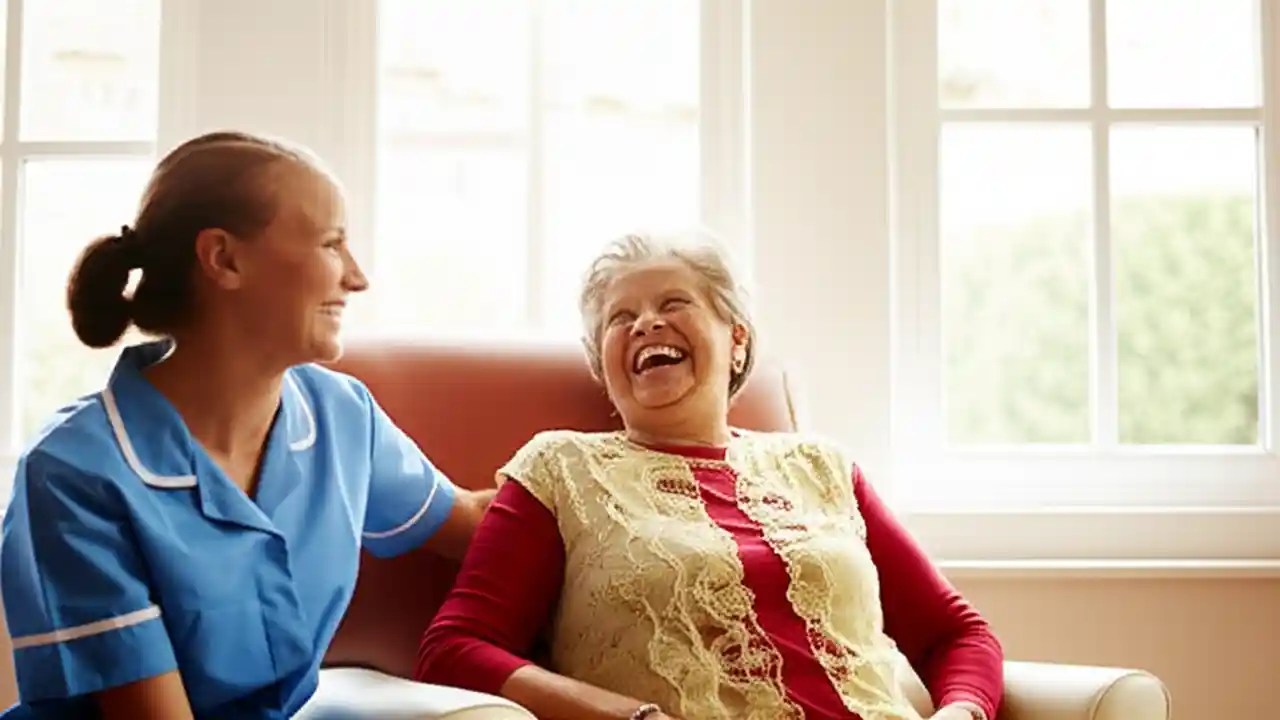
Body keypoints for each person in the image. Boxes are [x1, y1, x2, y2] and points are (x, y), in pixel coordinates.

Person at [0, 130, 495, 719]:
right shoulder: (73, 474)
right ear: (224, 258)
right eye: (332, 244)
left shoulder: (340, 414)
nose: (356, 277)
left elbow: (473, 525)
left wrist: (608, 480)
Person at [415, 232, 1004, 720]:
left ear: (737, 340)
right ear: (603, 365)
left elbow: (956, 634)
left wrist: (960, 714)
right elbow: (453, 650)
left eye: (673, 304)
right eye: (621, 318)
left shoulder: (823, 468)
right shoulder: (560, 469)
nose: (646, 323)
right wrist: (624, 716)